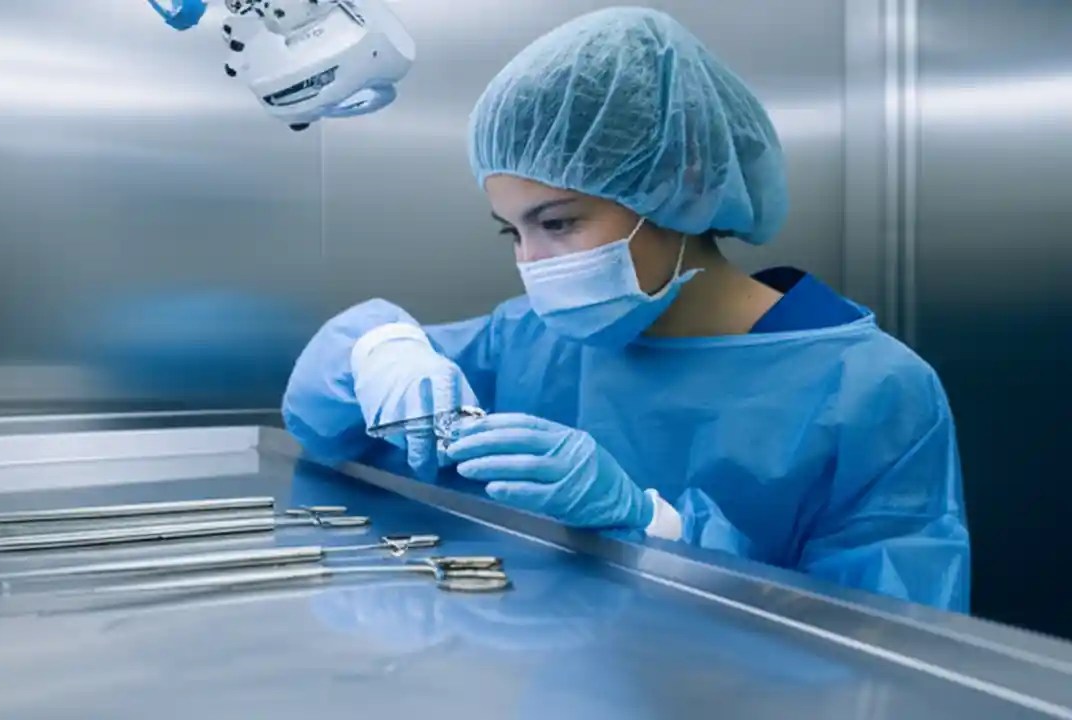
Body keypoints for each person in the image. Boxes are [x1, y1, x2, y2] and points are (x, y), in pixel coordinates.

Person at [282, 7, 969, 611]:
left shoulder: (874, 391)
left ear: (683, 182)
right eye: (512, 231)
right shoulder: (528, 339)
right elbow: (325, 419)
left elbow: (889, 643)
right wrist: (381, 354)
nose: (532, 263)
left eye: (559, 223)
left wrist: (656, 526)